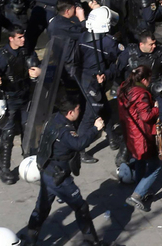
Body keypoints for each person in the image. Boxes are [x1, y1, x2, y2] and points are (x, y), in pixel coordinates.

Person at [21, 98, 106, 246]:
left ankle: (30, 238)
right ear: (70, 112)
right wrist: (95, 129)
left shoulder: (55, 118)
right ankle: (91, 241)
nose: (79, 113)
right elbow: (79, 144)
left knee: (42, 207)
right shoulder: (65, 130)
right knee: (81, 207)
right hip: (58, 177)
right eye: (78, 110)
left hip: (47, 170)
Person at [0, 25, 40, 185]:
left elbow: (39, 65)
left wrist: (38, 71)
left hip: (25, 96)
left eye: (23, 36)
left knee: (28, 129)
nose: (23, 40)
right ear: (11, 38)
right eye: (19, 37)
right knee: (8, 133)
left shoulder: (26, 51)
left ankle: (29, 161)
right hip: (9, 98)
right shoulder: (3, 56)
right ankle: (4, 169)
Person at [118, 65, 162, 212]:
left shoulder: (124, 87)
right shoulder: (141, 93)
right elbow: (146, 116)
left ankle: (140, 188)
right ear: (144, 79)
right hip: (142, 135)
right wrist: (156, 108)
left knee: (139, 160)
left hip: (130, 134)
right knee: (155, 166)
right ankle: (137, 195)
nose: (150, 82)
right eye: (149, 79)